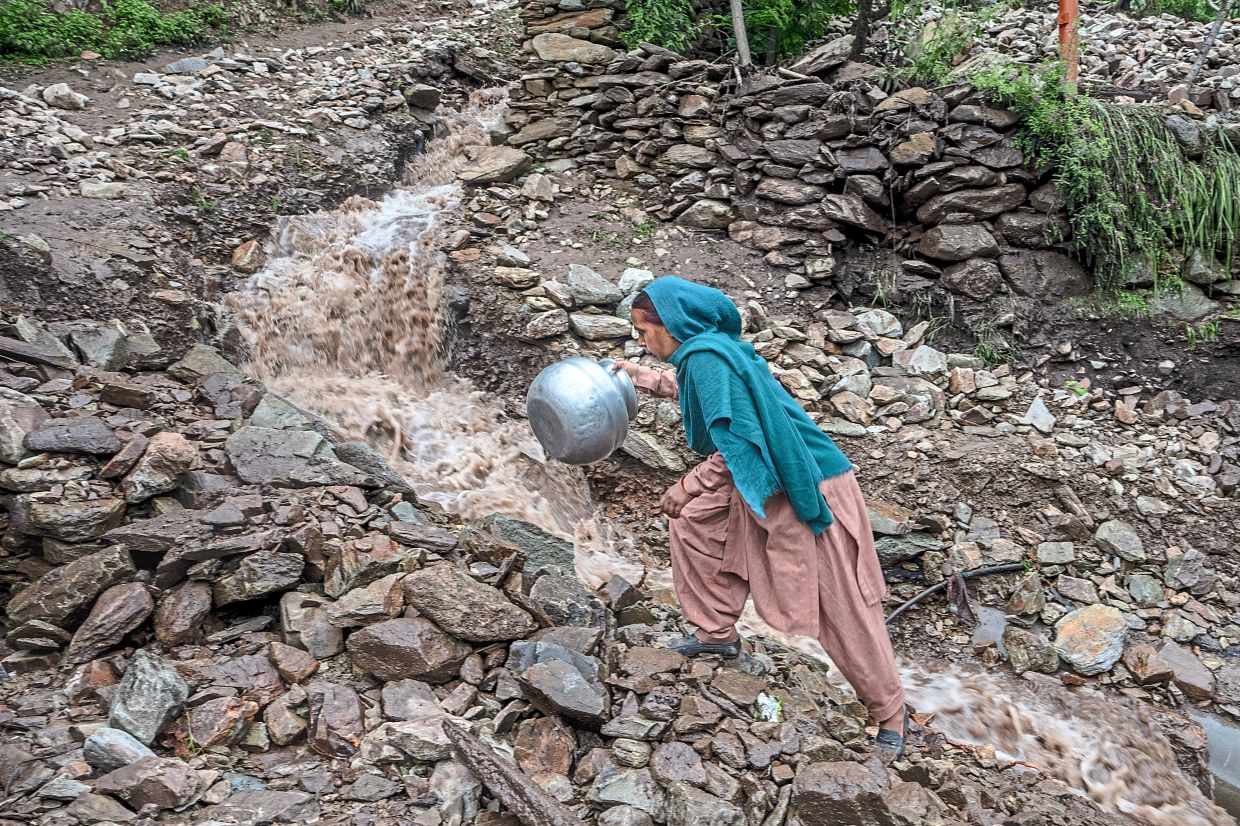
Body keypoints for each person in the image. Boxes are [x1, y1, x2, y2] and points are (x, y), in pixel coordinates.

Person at [613, 276, 909, 758]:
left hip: (804, 482)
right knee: (694, 523)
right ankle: (715, 633)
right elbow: (716, 403)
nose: (642, 343)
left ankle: (891, 711)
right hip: (766, 477)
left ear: (671, 326)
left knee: (840, 603)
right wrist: (641, 377)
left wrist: (685, 485)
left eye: (643, 332)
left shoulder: (708, 360)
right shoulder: (711, 352)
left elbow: (738, 442)